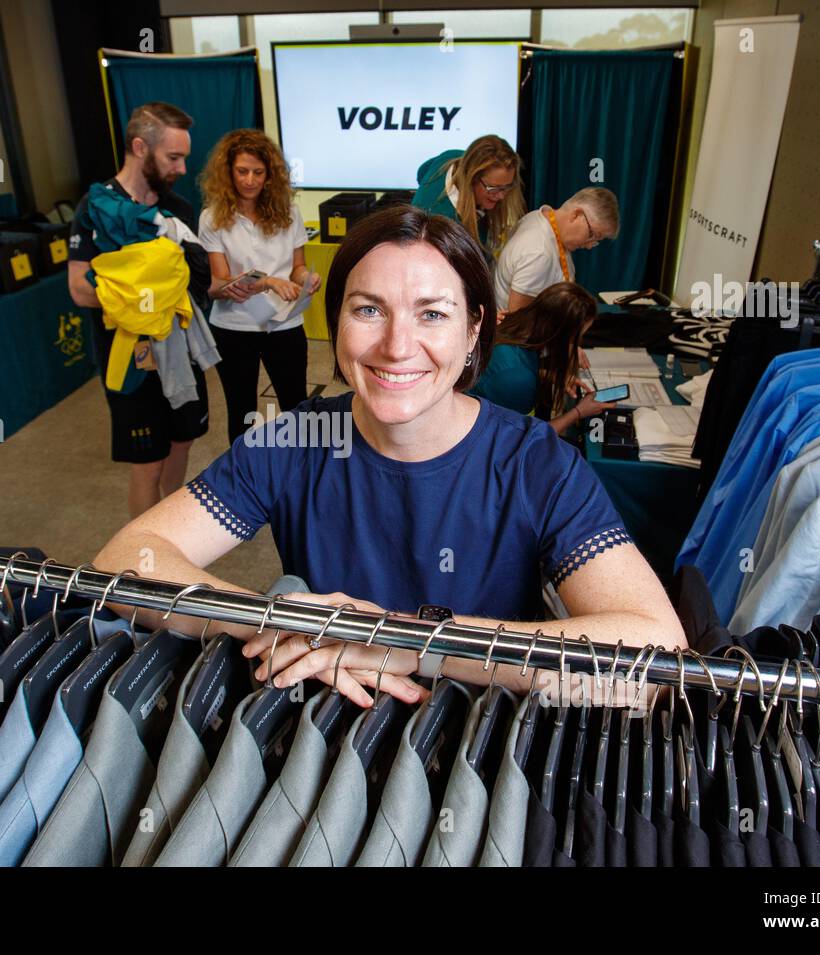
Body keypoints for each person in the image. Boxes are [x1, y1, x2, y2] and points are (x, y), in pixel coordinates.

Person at [92, 205, 685, 707]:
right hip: (322, 727)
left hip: (477, 747)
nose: (398, 346)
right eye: (368, 309)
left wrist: (411, 640)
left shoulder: (537, 465)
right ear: (338, 322)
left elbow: (656, 655)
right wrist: (283, 621)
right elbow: (125, 561)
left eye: (433, 313)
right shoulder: (291, 442)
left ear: (475, 329)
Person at [67, 102, 213, 519]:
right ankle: (144, 562)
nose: (183, 168)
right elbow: (79, 288)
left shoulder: (179, 211)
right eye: (174, 157)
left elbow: (195, 282)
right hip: (129, 359)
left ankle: (169, 529)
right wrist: (145, 298)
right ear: (139, 147)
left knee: (183, 442)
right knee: (148, 461)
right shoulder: (95, 210)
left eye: (184, 157)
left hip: (180, 351)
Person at [196, 129, 317, 443]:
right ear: (228, 172)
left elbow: (298, 268)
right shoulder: (212, 218)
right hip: (233, 327)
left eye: (257, 172)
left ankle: (300, 472)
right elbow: (218, 283)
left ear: (270, 175)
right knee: (241, 411)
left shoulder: (288, 212)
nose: (249, 180)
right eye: (242, 171)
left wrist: (307, 280)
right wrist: (267, 282)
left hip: (284, 323)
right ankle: (243, 479)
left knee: (296, 405)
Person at [470, 282, 617, 435]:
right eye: (576, 338)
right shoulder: (517, 380)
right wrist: (578, 412)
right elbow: (522, 440)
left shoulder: (515, 325)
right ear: (561, 335)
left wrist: (548, 375)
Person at [494, 187, 620, 314]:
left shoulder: (543, 217)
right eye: (592, 234)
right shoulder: (539, 253)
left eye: (596, 241)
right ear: (576, 214)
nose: (589, 246)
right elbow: (519, 321)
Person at [410, 134, 524, 262]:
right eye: (494, 188)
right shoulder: (449, 226)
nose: (501, 196)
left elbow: (422, 172)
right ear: (471, 178)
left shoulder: (453, 157)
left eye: (507, 187)